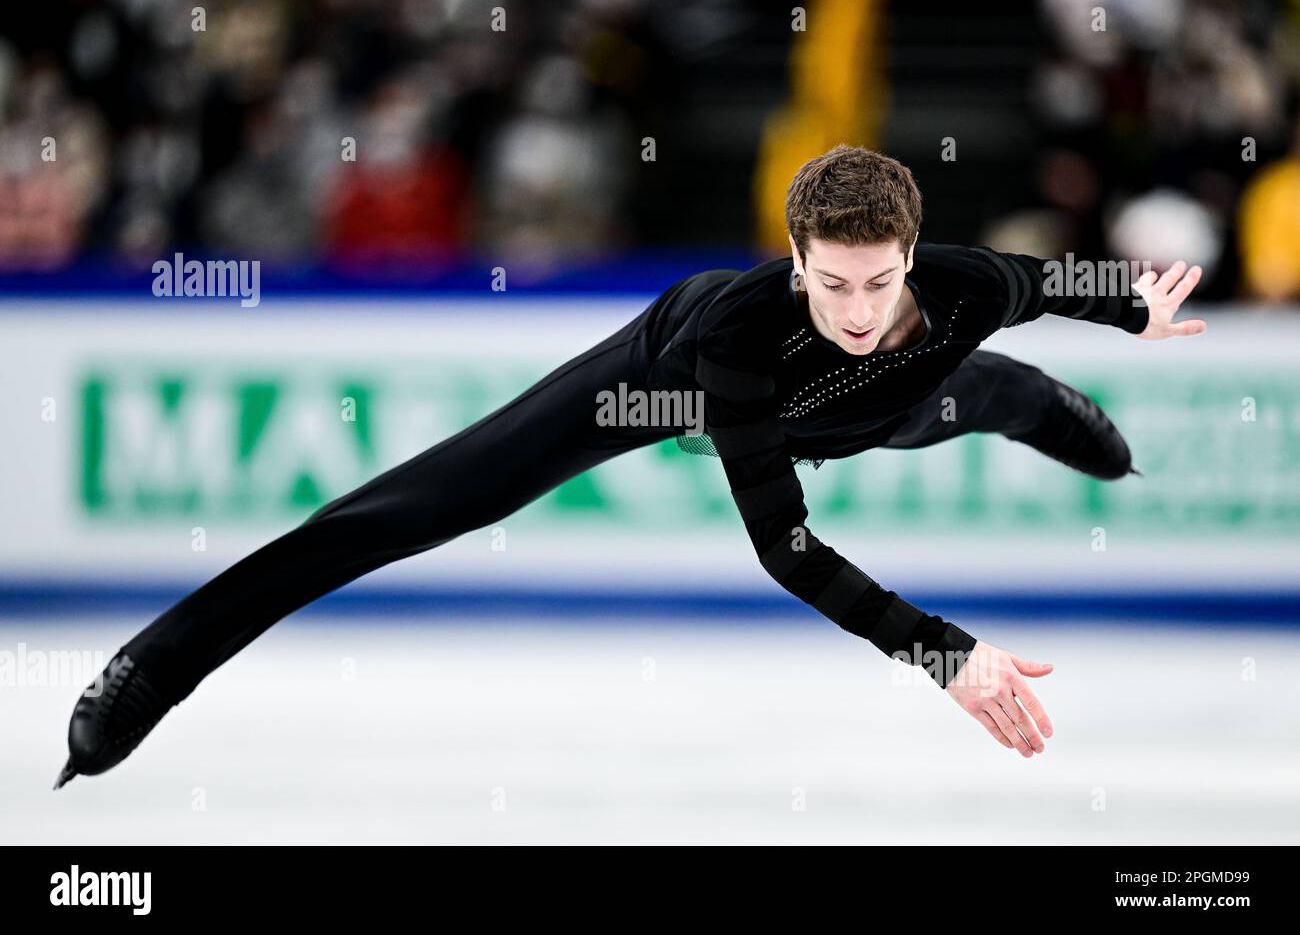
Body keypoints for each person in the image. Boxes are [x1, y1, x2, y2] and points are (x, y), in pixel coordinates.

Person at [56, 144, 1205, 787]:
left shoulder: (970, 285)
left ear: (911, 255)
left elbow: (1068, 284)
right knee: (421, 502)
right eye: (830, 280)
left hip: (894, 399)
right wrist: (938, 649)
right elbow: (787, 546)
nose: (857, 308)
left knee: (960, 392)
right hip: (675, 382)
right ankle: (149, 671)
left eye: (879, 280)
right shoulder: (736, 332)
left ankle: (1054, 416)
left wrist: (1135, 313)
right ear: (795, 257)